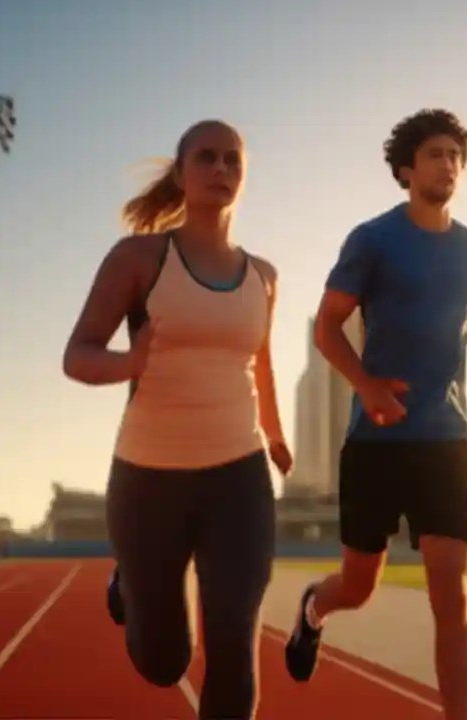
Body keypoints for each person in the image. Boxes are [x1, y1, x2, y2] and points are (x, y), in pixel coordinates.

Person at [62, 119, 292, 719]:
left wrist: (275, 436)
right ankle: (132, 590)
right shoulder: (139, 258)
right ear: (183, 172)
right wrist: (127, 362)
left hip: (239, 479)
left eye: (233, 161)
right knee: (164, 662)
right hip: (149, 478)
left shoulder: (264, 277)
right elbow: (77, 354)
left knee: (234, 645)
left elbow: (259, 366)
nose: (221, 170)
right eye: (207, 159)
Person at [283, 108, 467, 720]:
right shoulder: (372, 239)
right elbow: (327, 327)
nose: (449, 164)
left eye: (456, 155)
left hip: (447, 441)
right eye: (435, 154)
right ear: (407, 170)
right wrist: (367, 385)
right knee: (359, 586)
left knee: (451, 596)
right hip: (376, 440)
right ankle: (314, 609)